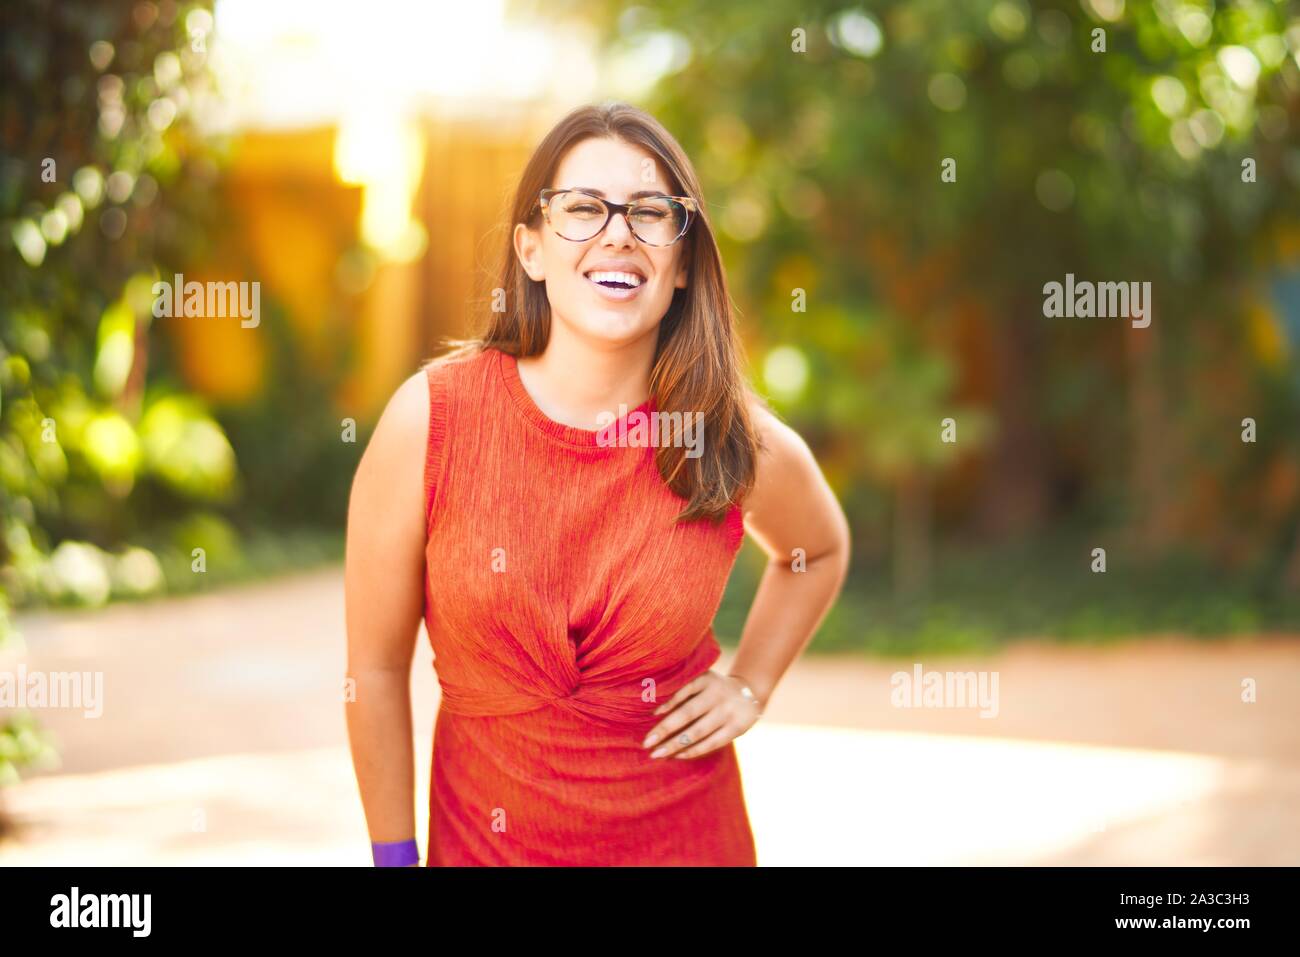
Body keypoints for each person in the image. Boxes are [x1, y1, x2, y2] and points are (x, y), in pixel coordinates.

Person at [344, 102, 850, 866]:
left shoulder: (725, 434)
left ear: (681, 263)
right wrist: (392, 860)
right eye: (584, 209)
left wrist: (749, 682)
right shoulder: (429, 420)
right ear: (532, 248)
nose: (618, 232)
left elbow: (818, 548)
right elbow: (376, 670)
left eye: (651, 213)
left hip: (687, 840)